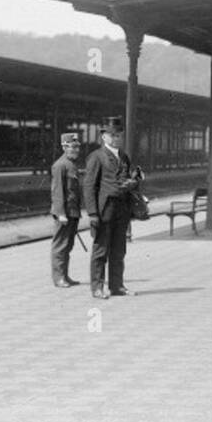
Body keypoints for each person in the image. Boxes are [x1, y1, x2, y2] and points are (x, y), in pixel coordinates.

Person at [84, 116, 142, 299]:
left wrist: (133, 181)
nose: (117, 138)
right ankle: (97, 288)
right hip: (105, 209)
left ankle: (117, 286)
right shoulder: (96, 157)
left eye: (119, 135)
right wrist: (93, 213)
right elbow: (89, 186)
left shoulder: (124, 156)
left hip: (122, 209)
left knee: (119, 249)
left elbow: (132, 176)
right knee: (101, 249)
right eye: (113, 135)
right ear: (104, 136)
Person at [49, 131, 83, 288]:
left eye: (77, 147)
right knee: (60, 245)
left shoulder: (71, 165)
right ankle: (58, 278)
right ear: (64, 147)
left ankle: (65, 276)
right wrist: (61, 213)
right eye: (72, 147)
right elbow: (57, 192)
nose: (75, 150)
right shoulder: (60, 165)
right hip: (65, 213)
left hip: (73, 212)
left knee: (68, 245)